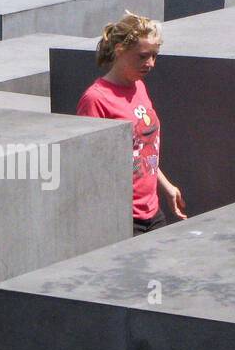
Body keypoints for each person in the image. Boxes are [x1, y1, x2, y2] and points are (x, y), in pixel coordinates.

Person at [76, 12, 187, 234]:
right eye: (143, 56)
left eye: (155, 56)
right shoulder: (96, 99)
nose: (151, 63)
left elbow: (143, 150)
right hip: (123, 216)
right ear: (120, 50)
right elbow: (88, 165)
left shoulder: (139, 87)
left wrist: (167, 187)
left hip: (153, 211)